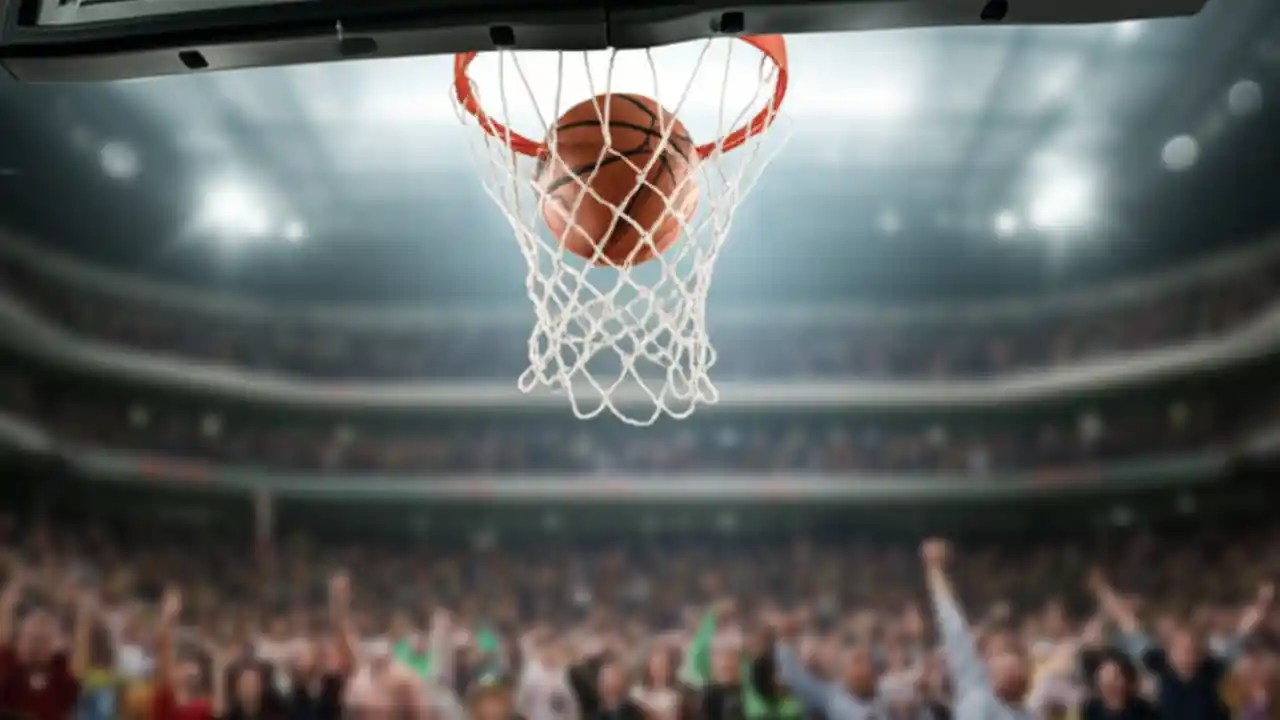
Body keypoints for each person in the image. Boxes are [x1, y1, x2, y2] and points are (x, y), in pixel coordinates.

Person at [1092, 573, 1273, 720]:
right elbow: (1129, 624)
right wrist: (1104, 591)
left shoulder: (1213, 668)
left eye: (1193, 651)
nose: (1188, 656)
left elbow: (1243, 633)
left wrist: (1264, 601)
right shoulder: (1157, 662)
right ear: (1170, 652)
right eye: (1182, 650)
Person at [920, 539, 1031, 720]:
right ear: (986, 662)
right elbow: (953, 624)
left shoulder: (1031, 715)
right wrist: (935, 572)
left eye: (1012, 654)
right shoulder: (975, 684)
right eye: (1000, 654)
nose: (1008, 663)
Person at [0, 565, 92, 720]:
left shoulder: (59, 673)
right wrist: (7, 605)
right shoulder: (9, 666)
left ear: (54, 646)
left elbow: (79, 669)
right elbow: (3, 639)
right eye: (32, 639)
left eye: (43, 641)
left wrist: (83, 617)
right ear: (19, 640)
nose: (36, 647)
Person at [774, 607, 889, 720]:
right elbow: (797, 679)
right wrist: (786, 643)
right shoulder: (832, 695)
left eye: (863, 662)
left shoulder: (885, 696)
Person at [151, 587, 222, 720]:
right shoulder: (165, 699)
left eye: (194, 665)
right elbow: (164, 651)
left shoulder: (203, 705)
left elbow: (220, 708)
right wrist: (167, 618)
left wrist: (216, 665)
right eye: (184, 665)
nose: (191, 670)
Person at [1080, 650, 1159, 720]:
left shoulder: (1145, 712)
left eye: (1116, 677)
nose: (1113, 684)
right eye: (1107, 679)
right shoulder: (1090, 710)